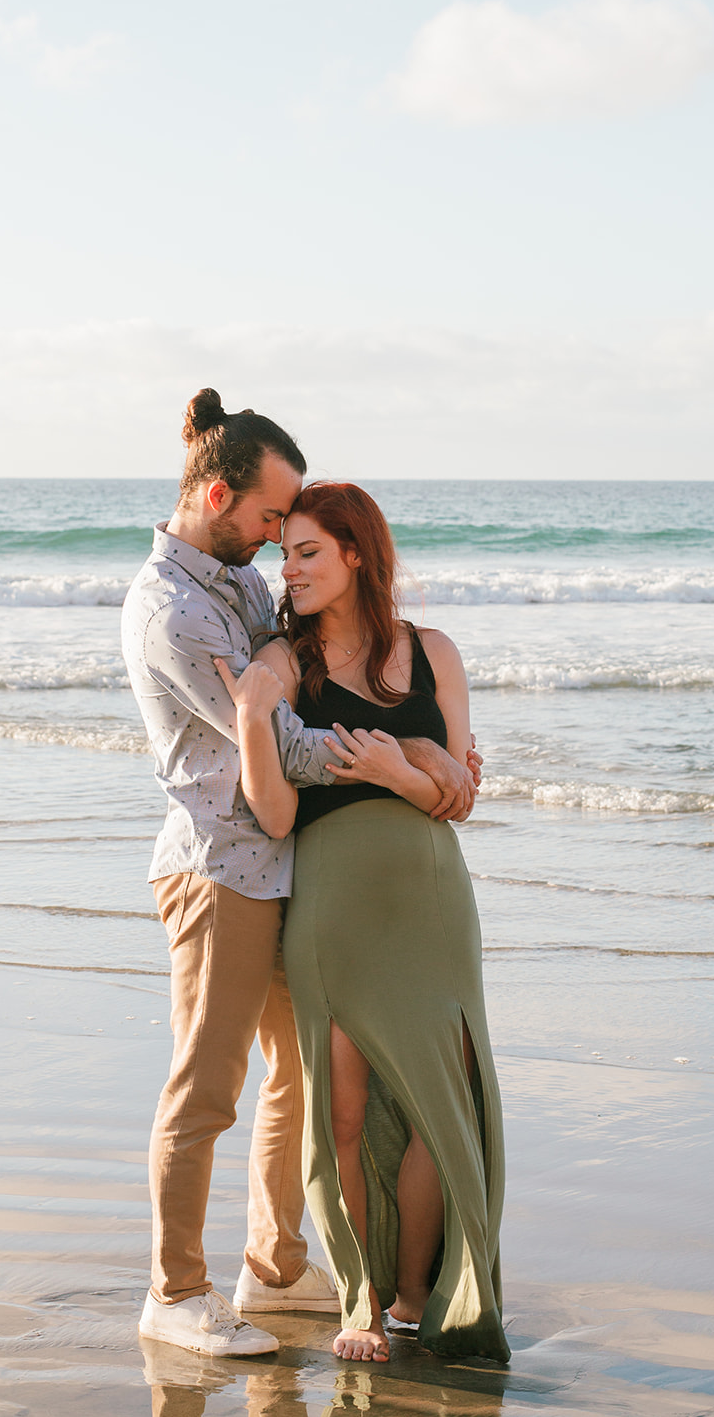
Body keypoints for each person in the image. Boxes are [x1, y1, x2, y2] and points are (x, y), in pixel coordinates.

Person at [122, 392, 478, 1358]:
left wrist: (432, 763)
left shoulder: (234, 581)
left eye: (292, 525)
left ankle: (275, 1267)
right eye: (270, 516)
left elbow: (309, 675)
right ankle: (176, 1290)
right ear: (215, 492)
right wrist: (416, 766)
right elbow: (278, 737)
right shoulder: (170, 610)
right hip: (222, 869)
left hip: (285, 868)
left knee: (295, 1081)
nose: (281, 537)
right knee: (207, 1085)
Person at [217, 482, 509, 1365]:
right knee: (339, 1115)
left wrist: (402, 766)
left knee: (437, 1102)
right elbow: (272, 804)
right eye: (283, 553)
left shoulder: (434, 653)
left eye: (308, 552)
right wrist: (256, 721)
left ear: (355, 555)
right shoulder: (280, 659)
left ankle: (419, 1295)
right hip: (333, 902)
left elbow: (457, 796)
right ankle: (359, 1307)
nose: (290, 569)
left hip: (430, 899)